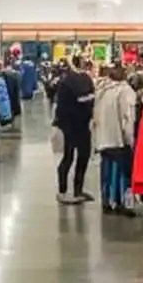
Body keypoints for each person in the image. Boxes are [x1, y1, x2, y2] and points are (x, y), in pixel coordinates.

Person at [93, 66, 138, 215]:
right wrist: (130, 140)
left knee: (106, 170)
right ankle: (123, 203)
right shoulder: (126, 92)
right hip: (118, 139)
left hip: (103, 138)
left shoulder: (101, 90)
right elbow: (128, 118)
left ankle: (106, 200)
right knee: (124, 172)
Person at [53, 56, 96, 204]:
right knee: (71, 157)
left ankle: (74, 191)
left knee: (77, 157)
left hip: (76, 125)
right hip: (72, 125)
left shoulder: (71, 80)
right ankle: (65, 191)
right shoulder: (72, 81)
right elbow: (88, 99)